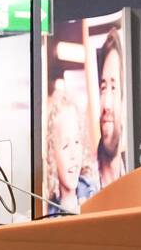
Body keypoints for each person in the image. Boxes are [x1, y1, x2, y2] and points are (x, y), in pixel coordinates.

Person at [44, 87, 95, 216]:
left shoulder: (93, 194)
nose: (74, 155)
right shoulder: (47, 211)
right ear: (52, 154)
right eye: (66, 146)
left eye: (77, 142)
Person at [96, 28, 128, 190]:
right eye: (103, 88)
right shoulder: (80, 182)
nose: (106, 104)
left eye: (114, 88)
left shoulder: (134, 175)